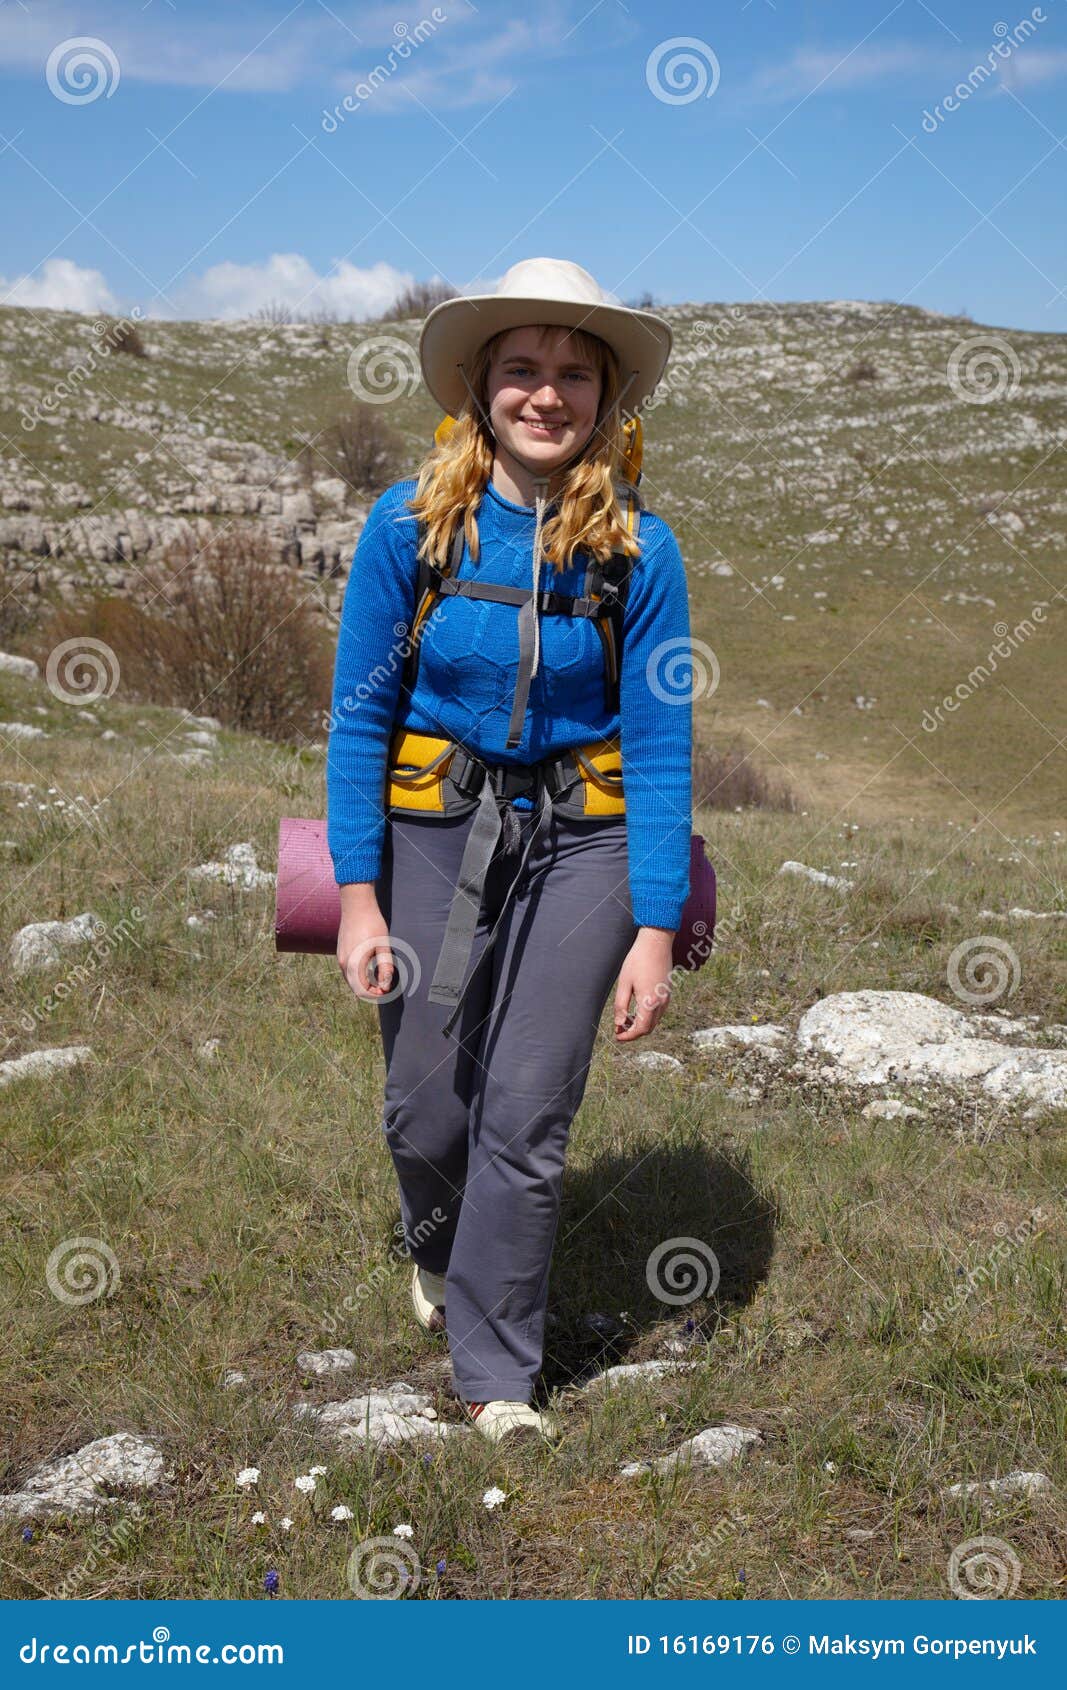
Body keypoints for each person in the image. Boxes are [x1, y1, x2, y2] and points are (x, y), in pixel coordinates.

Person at [326, 257, 693, 1445]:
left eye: (572, 374)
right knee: (427, 1107)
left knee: (525, 1110)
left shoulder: (643, 551)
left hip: (585, 843)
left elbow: (660, 741)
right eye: (522, 370)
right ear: (479, 387)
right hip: (433, 827)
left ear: (606, 397)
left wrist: (653, 927)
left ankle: (494, 1375)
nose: (546, 395)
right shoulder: (406, 526)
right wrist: (355, 898)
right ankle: (435, 1247)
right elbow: (357, 717)